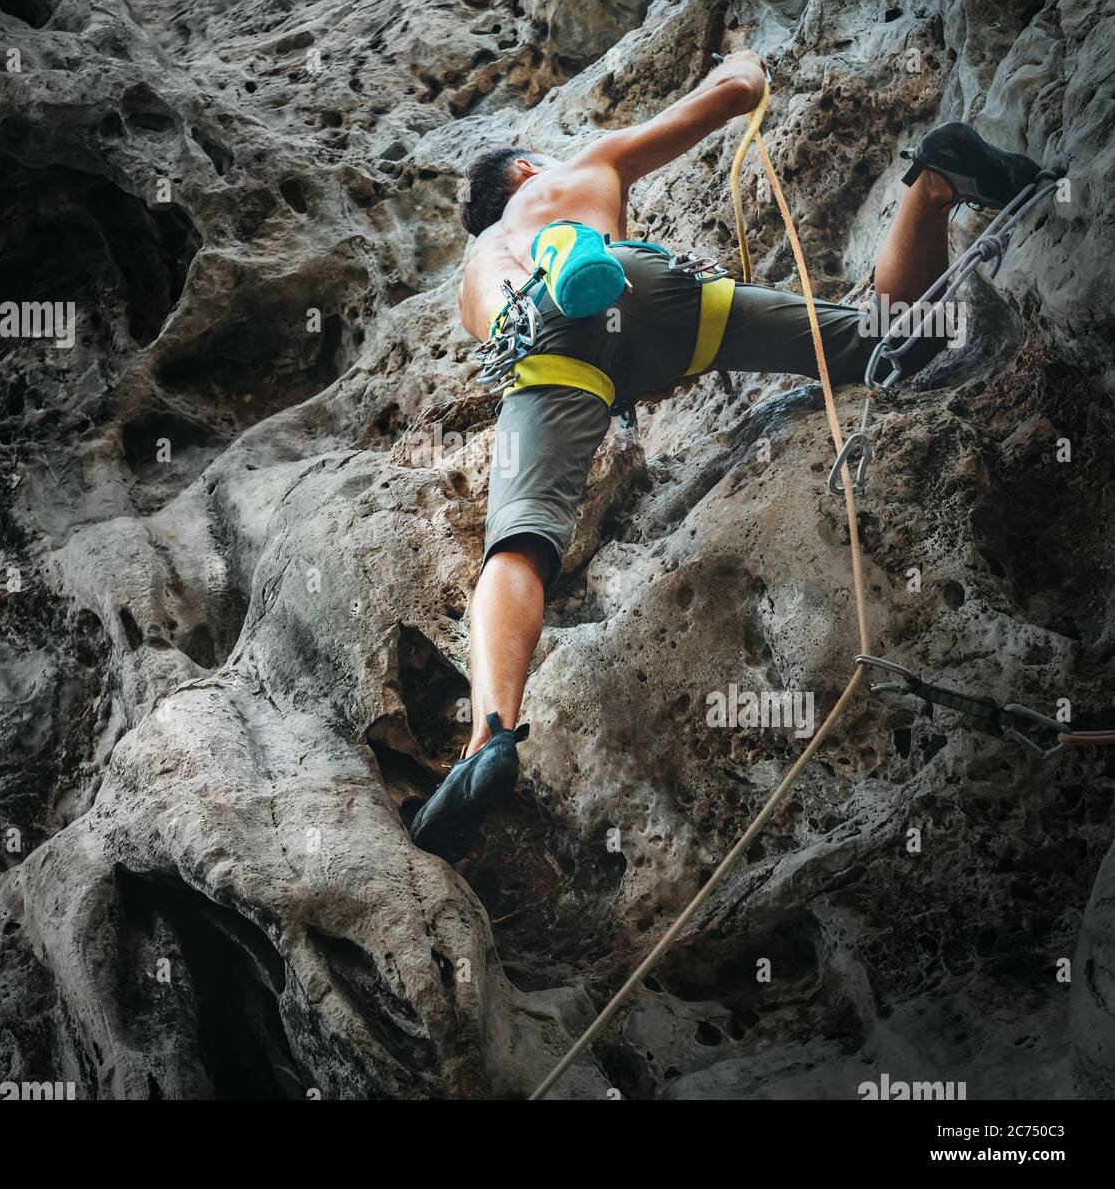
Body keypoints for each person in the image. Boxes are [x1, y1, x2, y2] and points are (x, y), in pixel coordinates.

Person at [410, 49, 1042, 860]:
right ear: (530, 168)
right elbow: (730, 97)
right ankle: (935, 184)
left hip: (545, 344)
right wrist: (739, 66)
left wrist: (537, 319)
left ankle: (489, 736)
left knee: (521, 544)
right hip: (665, 297)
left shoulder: (473, 263)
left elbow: (510, 343)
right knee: (881, 343)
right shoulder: (580, 166)